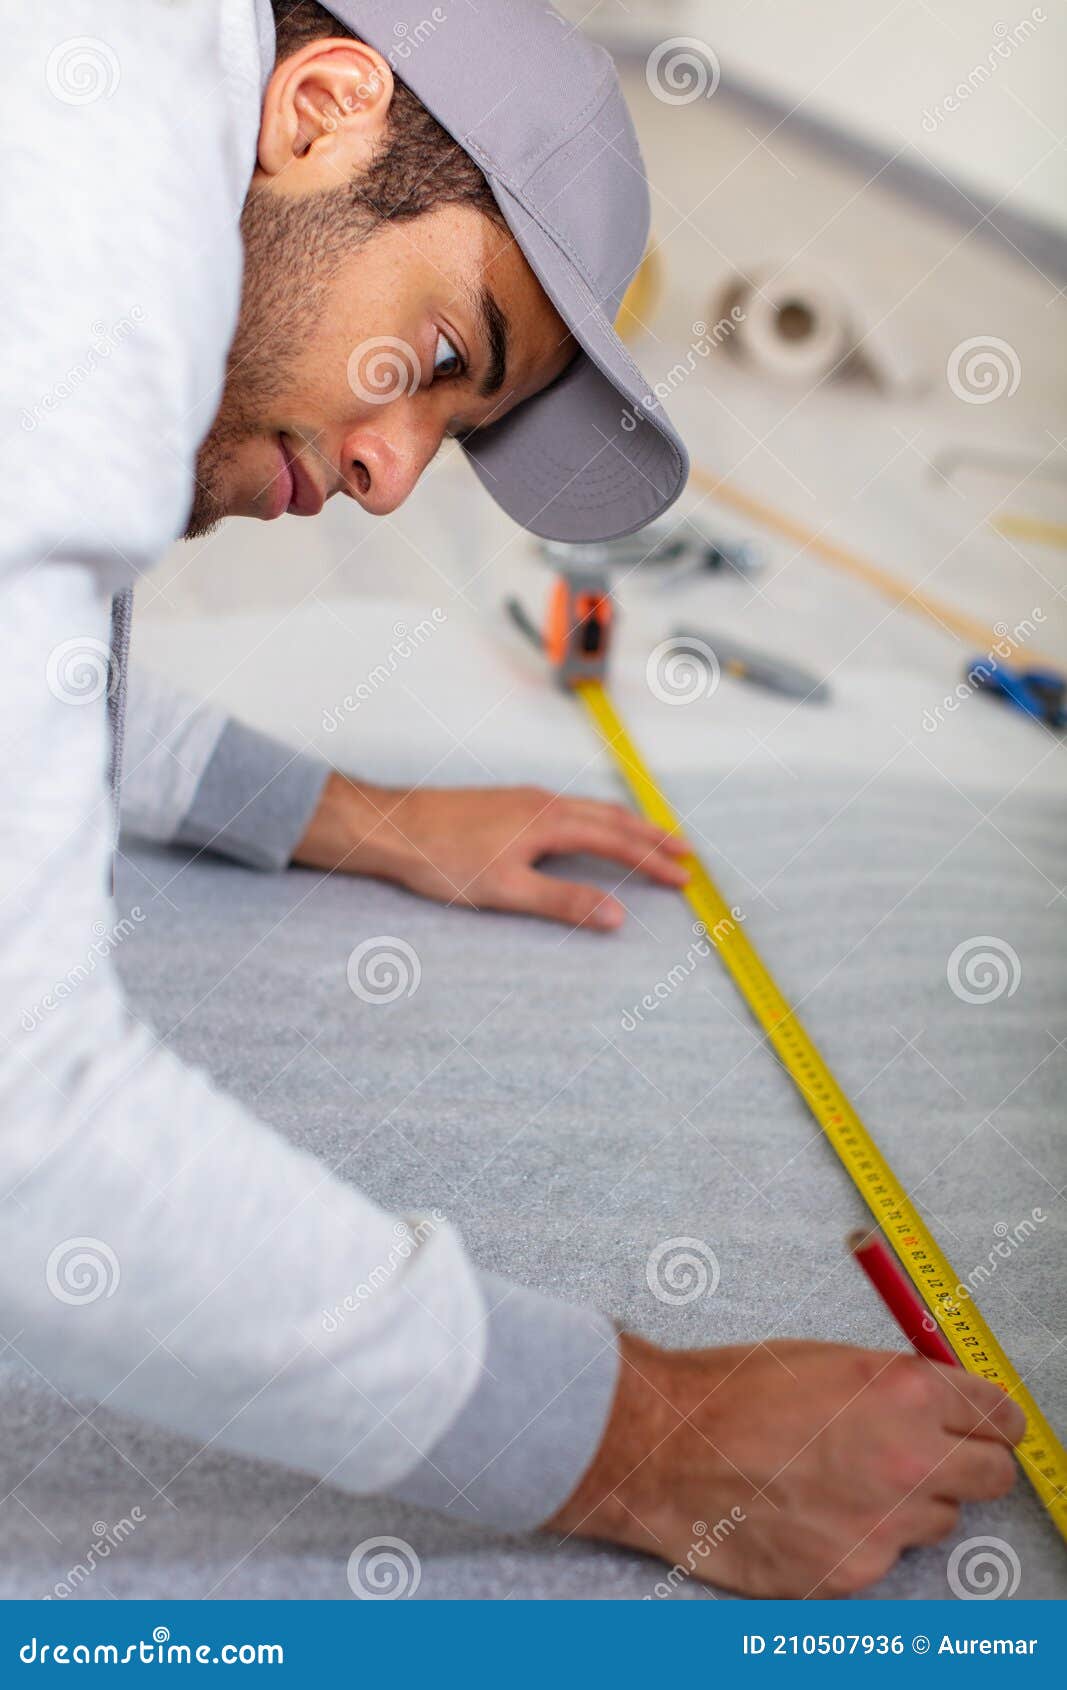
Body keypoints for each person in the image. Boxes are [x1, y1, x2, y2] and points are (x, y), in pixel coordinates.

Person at [1, 0, 1021, 1599]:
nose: (395, 477)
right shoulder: (90, 205)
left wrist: (350, 809)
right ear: (323, 108)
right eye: (446, 353)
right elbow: (22, 1128)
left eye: (453, 423)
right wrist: (646, 1438)